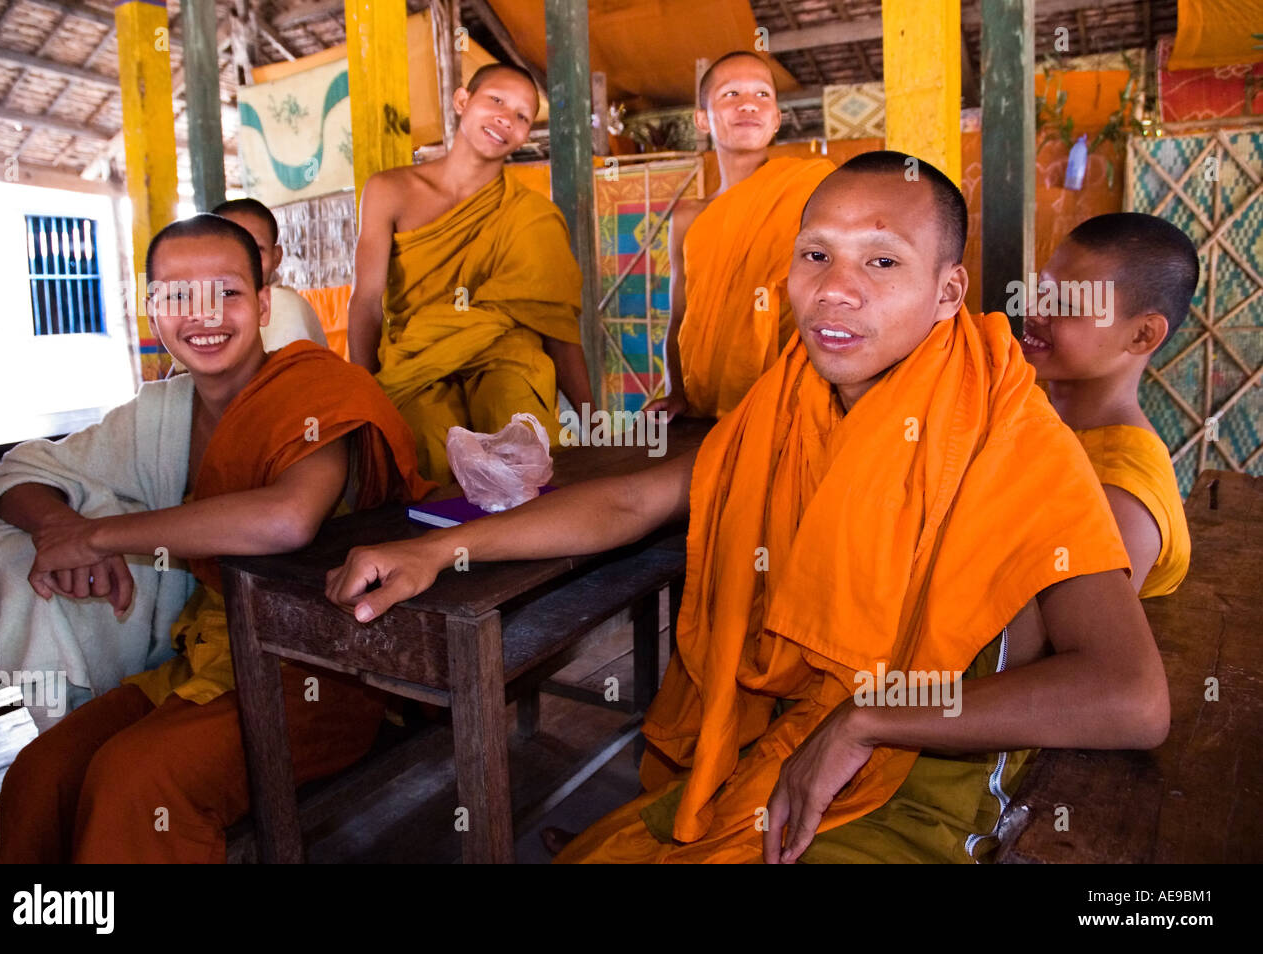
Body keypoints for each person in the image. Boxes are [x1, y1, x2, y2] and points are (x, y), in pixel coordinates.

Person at [325, 152, 1169, 864]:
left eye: (882, 262)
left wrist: (866, 722)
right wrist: (443, 553)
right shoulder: (792, 394)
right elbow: (632, 500)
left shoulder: (1008, 431)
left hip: (918, 786)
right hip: (787, 740)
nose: (836, 291)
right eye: (816, 256)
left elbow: (1131, 696)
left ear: (949, 292)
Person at [0, 214, 433, 863]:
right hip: (203, 660)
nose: (203, 314)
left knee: (137, 781)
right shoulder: (160, 416)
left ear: (263, 302)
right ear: (152, 311)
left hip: (326, 671)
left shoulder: (315, 387)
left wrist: (101, 537)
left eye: (226, 291)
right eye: (176, 295)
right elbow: (22, 471)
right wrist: (60, 527)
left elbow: (287, 518)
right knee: (39, 776)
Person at [348, 63, 593, 483]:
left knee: (516, 421)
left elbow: (557, 325)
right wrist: (366, 397)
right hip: (419, 356)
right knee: (426, 437)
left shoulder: (532, 216)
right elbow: (367, 302)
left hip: (506, 353)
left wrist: (592, 420)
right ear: (462, 101)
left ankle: (535, 539)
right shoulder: (390, 190)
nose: (506, 118)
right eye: (496, 100)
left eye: (521, 115)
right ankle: (444, 547)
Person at [645, 51, 833, 421]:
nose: (749, 105)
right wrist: (676, 391)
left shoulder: (813, 190)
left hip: (793, 394)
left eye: (762, 95)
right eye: (731, 94)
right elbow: (681, 313)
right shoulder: (688, 217)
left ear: (777, 118)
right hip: (705, 402)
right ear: (702, 119)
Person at [1021, 213, 1194, 598]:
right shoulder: (1036, 416)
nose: (1033, 311)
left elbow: (1062, 643)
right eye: (1041, 291)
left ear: (1141, 334)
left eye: (1064, 304)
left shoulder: (1120, 495)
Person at [211, 197, 329, 353]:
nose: (241, 264)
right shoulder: (206, 305)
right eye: (226, 250)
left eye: (257, 250)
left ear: (276, 257)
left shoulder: (281, 306)